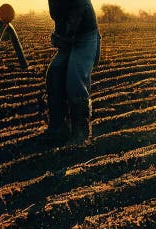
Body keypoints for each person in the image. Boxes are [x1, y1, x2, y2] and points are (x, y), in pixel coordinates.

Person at [45, 0, 100, 145]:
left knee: (75, 81)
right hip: (69, 36)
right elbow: (58, 17)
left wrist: (63, 37)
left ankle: (80, 134)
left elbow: (76, 15)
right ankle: (58, 128)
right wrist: (58, 36)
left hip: (85, 36)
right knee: (54, 73)